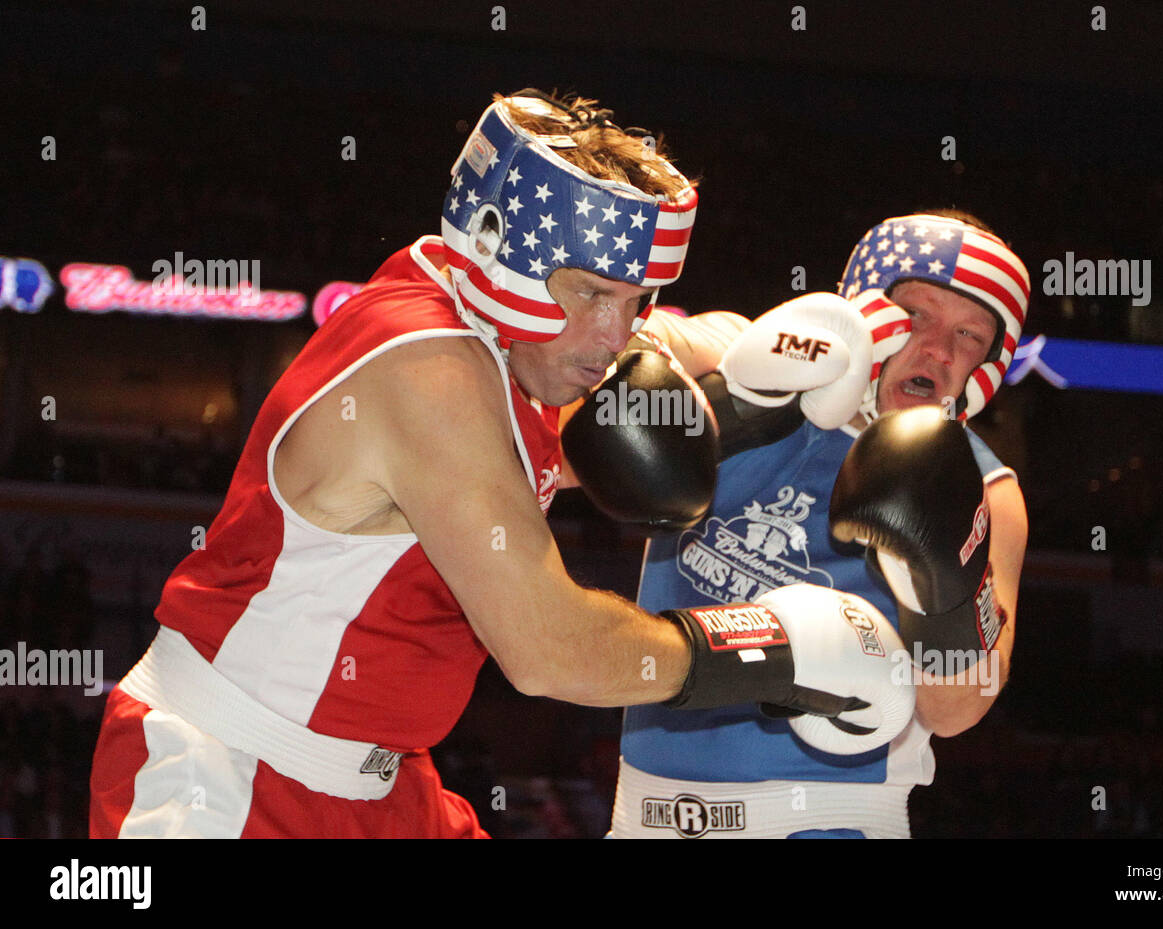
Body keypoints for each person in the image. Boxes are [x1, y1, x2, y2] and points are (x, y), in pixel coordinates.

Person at [88, 91, 890, 838]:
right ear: (501, 252)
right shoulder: (428, 371)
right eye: (594, 293)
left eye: (637, 297)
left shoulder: (521, 331)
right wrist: (772, 649)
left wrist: (842, 357)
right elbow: (547, 648)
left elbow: (699, 344)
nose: (617, 334)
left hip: (385, 783)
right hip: (229, 780)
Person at [611, 210, 1031, 838]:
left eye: (970, 335)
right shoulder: (750, 359)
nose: (940, 351)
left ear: (988, 364)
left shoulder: (986, 490)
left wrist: (940, 576)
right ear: (866, 313)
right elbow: (603, 395)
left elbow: (957, 710)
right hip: (639, 815)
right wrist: (733, 399)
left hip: (829, 821)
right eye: (917, 316)